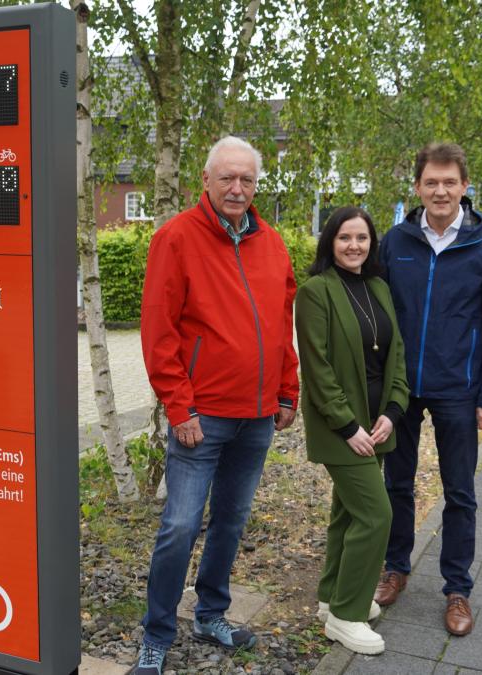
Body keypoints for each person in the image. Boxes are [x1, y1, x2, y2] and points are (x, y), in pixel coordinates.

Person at [134, 135, 300, 675]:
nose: (237, 188)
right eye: (227, 177)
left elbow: (280, 326)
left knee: (230, 520)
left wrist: (287, 390)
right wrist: (179, 410)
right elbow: (158, 334)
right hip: (200, 421)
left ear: (256, 185)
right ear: (205, 180)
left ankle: (210, 613)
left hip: (256, 419)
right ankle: (156, 634)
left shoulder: (272, 245)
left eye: (246, 179)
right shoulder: (176, 239)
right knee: (180, 526)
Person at [375, 143, 482, 637]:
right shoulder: (396, 241)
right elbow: (380, 317)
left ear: (464, 187)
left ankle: (457, 588)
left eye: (450, 182)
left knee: (460, 492)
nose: (440, 190)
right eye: (431, 182)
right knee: (397, 483)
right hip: (402, 388)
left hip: (459, 387)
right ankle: (396, 567)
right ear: (417, 187)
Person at [295, 206, 409, 655]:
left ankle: (330, 598)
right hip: (339, 426)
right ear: (330, 242)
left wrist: (394, 410)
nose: (354, 246)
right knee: (376, 515)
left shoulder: (378, 286)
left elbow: (395, 353)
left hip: (377, 423)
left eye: (362, 238)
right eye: (345, 237)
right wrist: (347, 425)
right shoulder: (315, 292)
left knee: (348, 511)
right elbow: (318, 369)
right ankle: (347, 615)